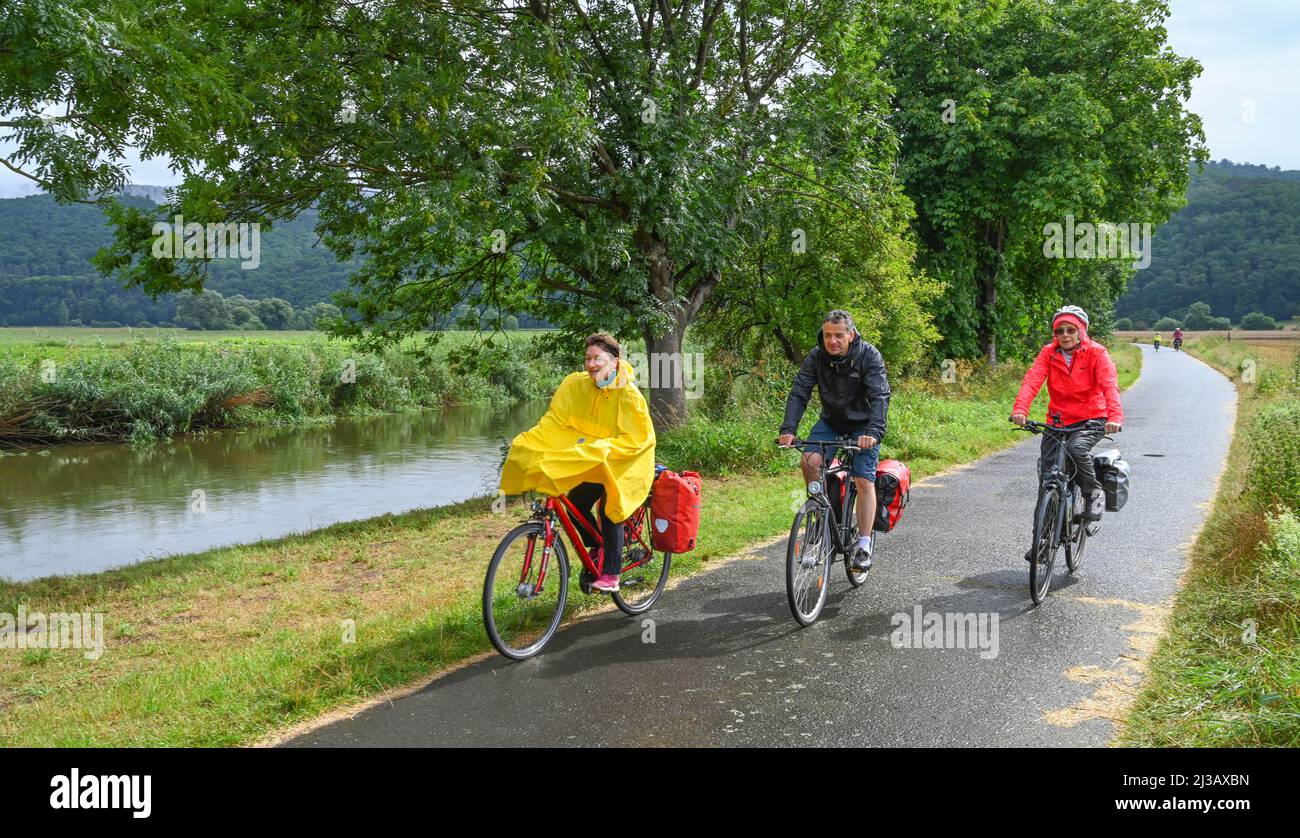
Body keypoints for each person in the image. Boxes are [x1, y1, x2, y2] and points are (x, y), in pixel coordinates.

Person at [499, 333, 656, 592]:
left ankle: (611, 574)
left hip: (625, 461)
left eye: (598, 359)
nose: (592, 364)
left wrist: (602, 449)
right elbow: (555, 421)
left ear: (615, 361)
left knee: (610, 508)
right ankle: (599, 546)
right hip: (593, 461)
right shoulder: (574, 384)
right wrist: (529, 442)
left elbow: (638, 438)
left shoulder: (628, 394)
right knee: (576, 504)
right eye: (588, 358)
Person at [778, 310, 890, 573]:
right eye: (828, 335)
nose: (832, 341)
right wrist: (789, 428)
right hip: (831, 421)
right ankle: (820, 515)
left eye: (839, 335)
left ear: (850, 335)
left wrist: (873, 432)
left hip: (863, 425)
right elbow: (799, 392)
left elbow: (880, 396)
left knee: (863, 480)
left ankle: (863, 545)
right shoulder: (816, 356)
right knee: (810, 461)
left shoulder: (869, 356)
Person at [1010, 306, 1124, 555]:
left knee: (1076, 448)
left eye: (1071, 329)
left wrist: (1114, 416)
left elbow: (1109, 385)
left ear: (1081, 330)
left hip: (1092, 418)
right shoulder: (1049, 353)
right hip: (1058, 420)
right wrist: (1021, 409)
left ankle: (1092, 492)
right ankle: (1040, 542)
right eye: (1059, 330)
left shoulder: (1097, 353)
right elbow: (1032, 381)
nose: (1065, 335)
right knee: (1048, 479)